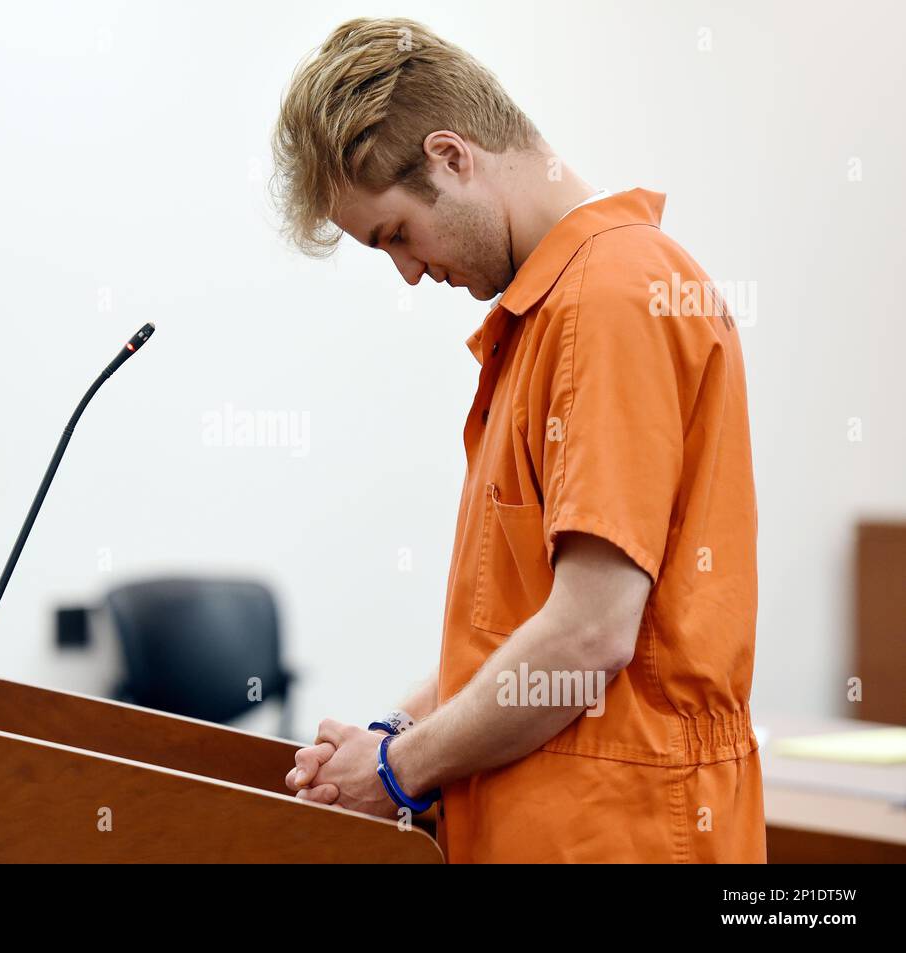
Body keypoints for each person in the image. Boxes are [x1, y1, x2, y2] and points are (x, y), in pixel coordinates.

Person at [269, 17, 765, 863]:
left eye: (395, 235)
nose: (410, 273)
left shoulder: (609, 300)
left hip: (617, 836)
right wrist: (398, 729)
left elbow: (588, 634)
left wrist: (397, 768)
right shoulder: (553, 315)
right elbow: (521, 626)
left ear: (452, 156)